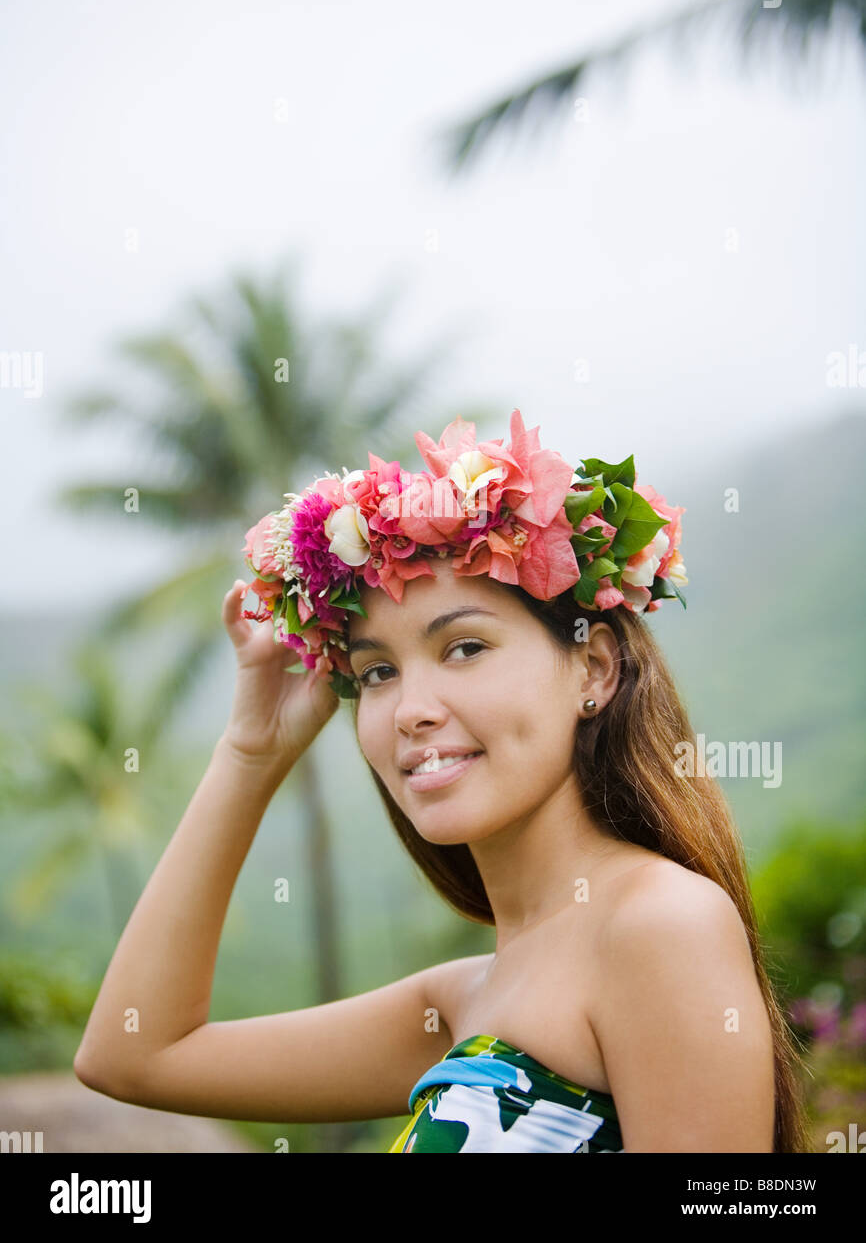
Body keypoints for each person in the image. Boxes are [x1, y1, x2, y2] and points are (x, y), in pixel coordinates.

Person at [73, 410, 809, 1152]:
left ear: (593, 667)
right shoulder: (460, 1004)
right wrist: (250, 754)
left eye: (463, 647)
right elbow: (132, 1056)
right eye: (377, 673)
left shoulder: (659, 925)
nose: (410, 712)